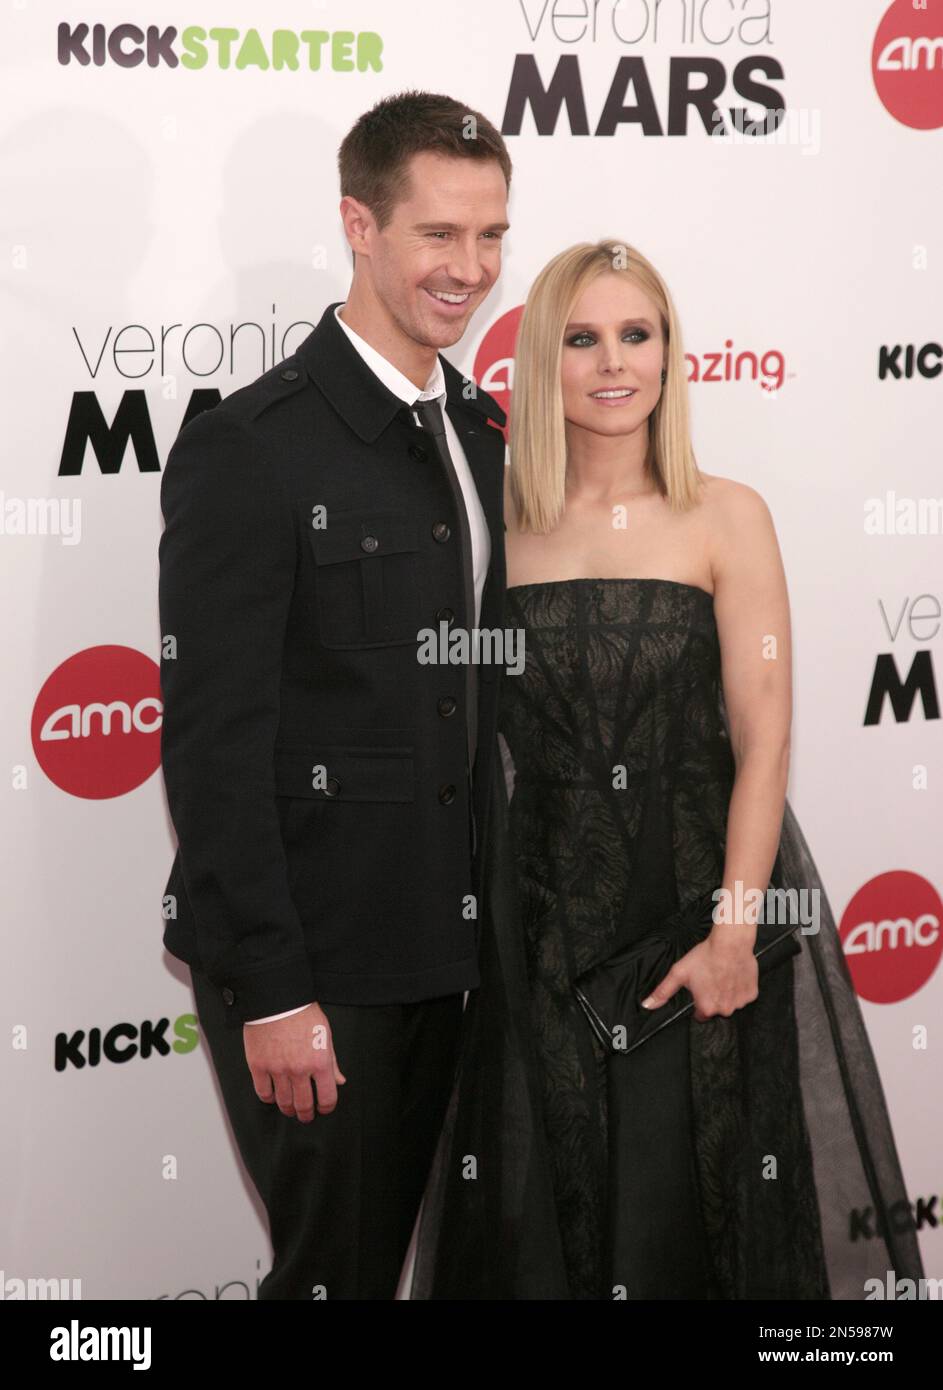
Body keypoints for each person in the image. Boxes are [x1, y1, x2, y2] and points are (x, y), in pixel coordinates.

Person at [412, 240, 926, 1300]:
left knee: (692, 1208)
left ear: (668, 354)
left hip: (696, 905)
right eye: (582, 337)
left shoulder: (726, 514)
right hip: (542, 922)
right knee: (547, 1215)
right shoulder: (491, 521)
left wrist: (733, 932)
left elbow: (765, 732)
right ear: (541, 361)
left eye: (636, 335)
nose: (613, 363)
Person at [157, 90, 512, 1299]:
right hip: (316, 960)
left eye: (489, 236)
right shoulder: (252, 446)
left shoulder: (480, 428)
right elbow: (211, 747)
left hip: (448, 943)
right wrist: (273, 990)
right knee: (336, 1278)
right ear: (358, 226)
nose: (467, 269)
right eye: (436, 236)